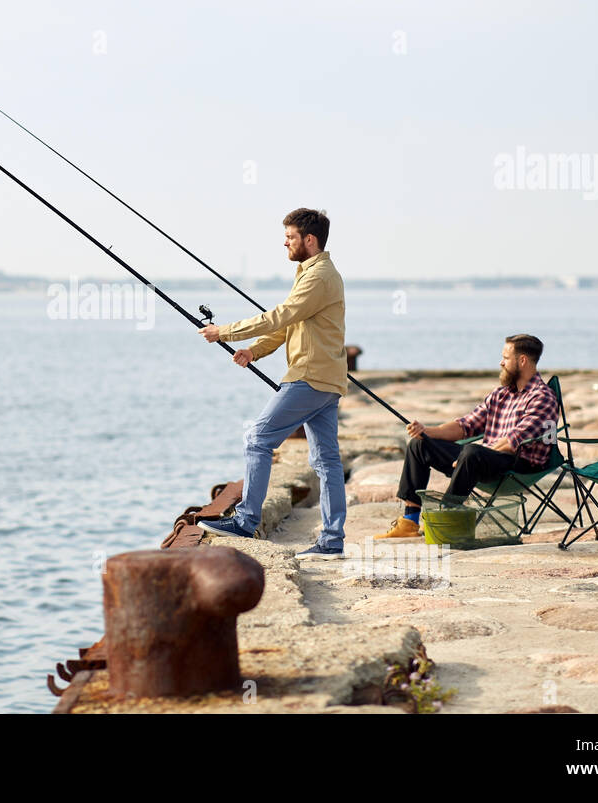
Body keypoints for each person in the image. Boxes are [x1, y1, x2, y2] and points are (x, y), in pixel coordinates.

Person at [196, 208, 347, 561]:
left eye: (290, 237)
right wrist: (254, 351)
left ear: (309, 239)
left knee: (257, 438)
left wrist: (224, 332)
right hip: (327, 380)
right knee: (326, 461)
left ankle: (245, 520)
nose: (285, 243)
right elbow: (289, 325)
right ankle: (331, 540)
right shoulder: (314, 274)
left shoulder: (319, 276)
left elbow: (279, 315)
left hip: (309, 377)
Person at [376, 334, 559, 539]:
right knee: (419, 445)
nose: (501, 362)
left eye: (506, 358)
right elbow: (465, 426)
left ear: (522, 360)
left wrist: (470, 456)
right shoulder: (501, 394)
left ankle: (446, 516)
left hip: (518, 465)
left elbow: (513, 442)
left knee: (472, 452)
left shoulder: (542, 397)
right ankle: (409, 522)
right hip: (484, 459)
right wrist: (426, 431)